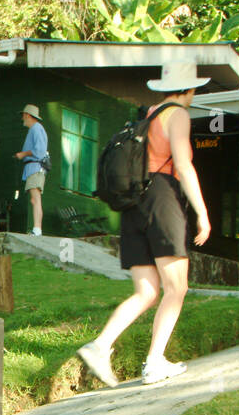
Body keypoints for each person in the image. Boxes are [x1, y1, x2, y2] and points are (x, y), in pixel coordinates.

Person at [76, 60, 212, 387]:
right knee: (176, 286)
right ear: (189, 89)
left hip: (132, 203)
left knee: (147, 290)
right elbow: (183, 163)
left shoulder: (147, 115)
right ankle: (154, 362)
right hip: (161, 196)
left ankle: (99, 345)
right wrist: (202, 213)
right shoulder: (177, 115)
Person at [14, 103, 47, 236]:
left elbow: (39, 151)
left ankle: (37, 229)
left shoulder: (36, 128)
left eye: (23, 115)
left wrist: (23, 154)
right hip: (33, 168)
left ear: (28, 115)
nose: (22, 118)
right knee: (34, 199)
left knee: (36, 199)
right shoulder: (35, 129)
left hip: (35, 167)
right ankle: (37, 229)